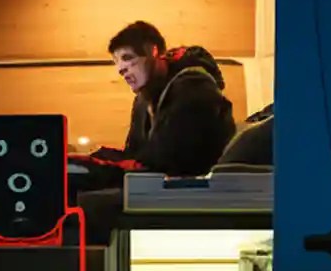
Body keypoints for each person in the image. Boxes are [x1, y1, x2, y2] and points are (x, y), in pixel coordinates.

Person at [100, 20, 238, 177]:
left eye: (127, 57)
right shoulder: (143, 101)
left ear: (153, 51)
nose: (120, 69)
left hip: (196, 193)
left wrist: (94, 167)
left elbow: (167, 161)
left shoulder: (195, 87)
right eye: (116, 62)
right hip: (165, 190)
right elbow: (134, 155)